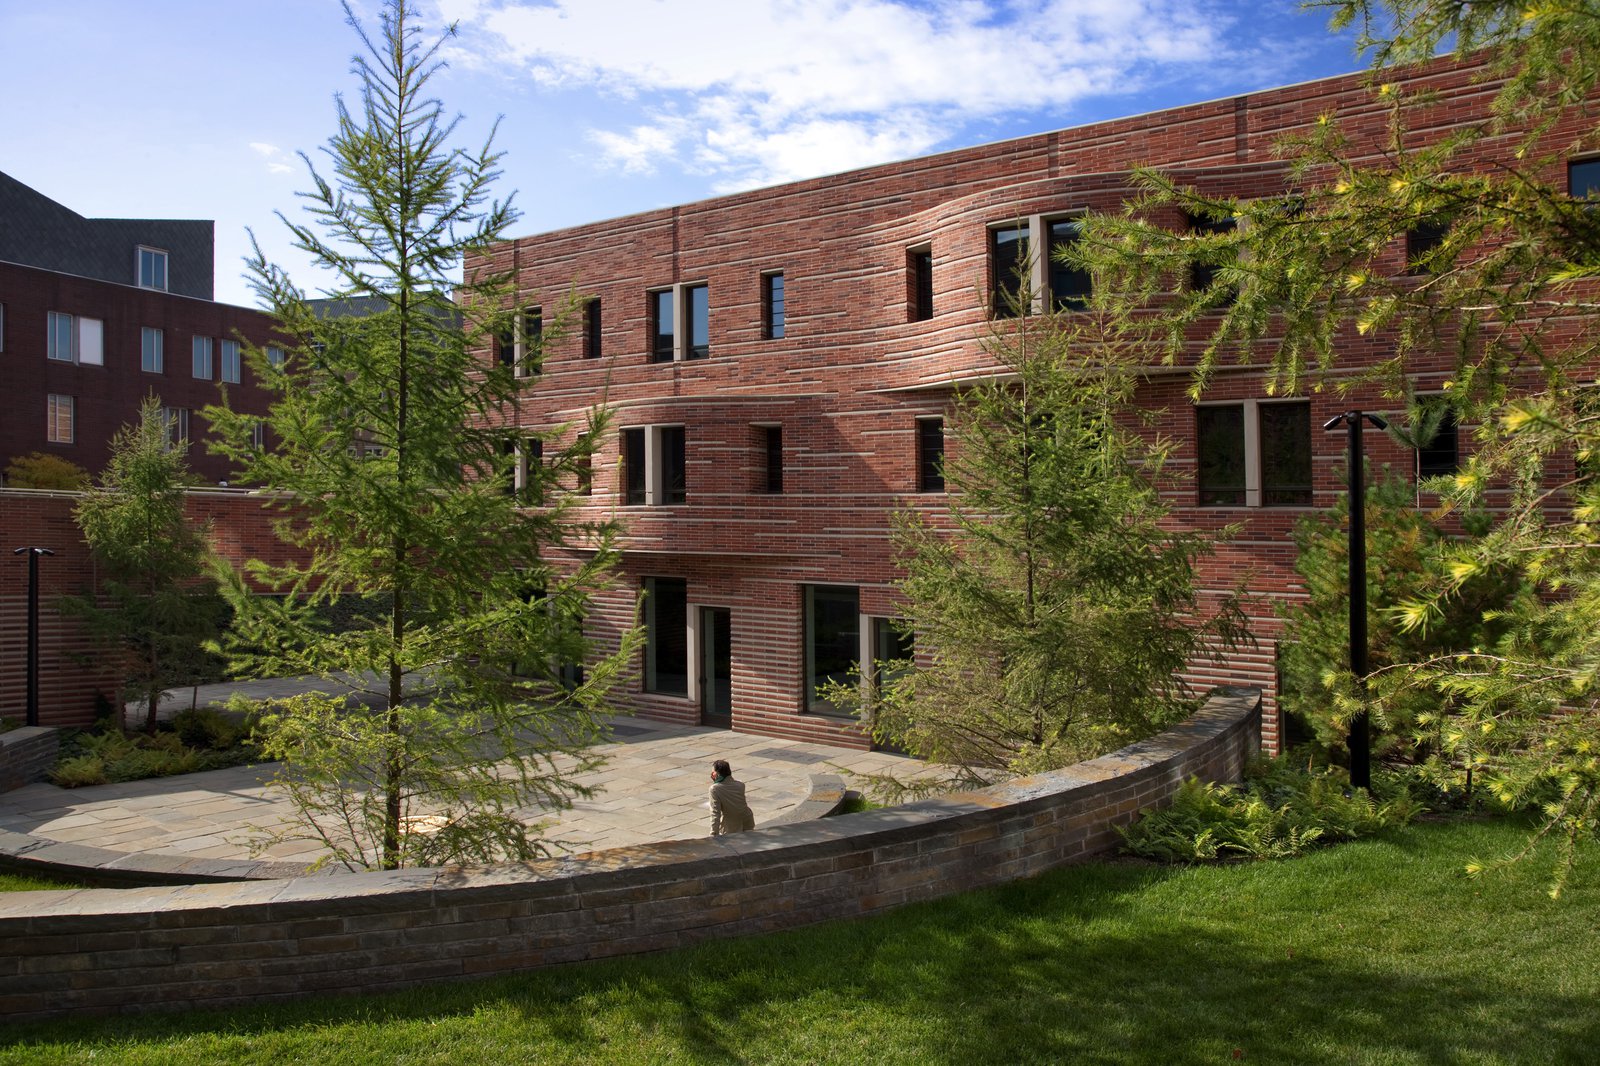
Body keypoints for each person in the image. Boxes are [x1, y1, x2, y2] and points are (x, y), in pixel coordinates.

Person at [708, 759, 756, 836]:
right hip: (747, 821)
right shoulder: (740, 785)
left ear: (717, 774)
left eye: (713, 772)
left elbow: (715, 813)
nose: (712, 774)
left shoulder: (714, 789)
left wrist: (713, 834)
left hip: (731, 826)